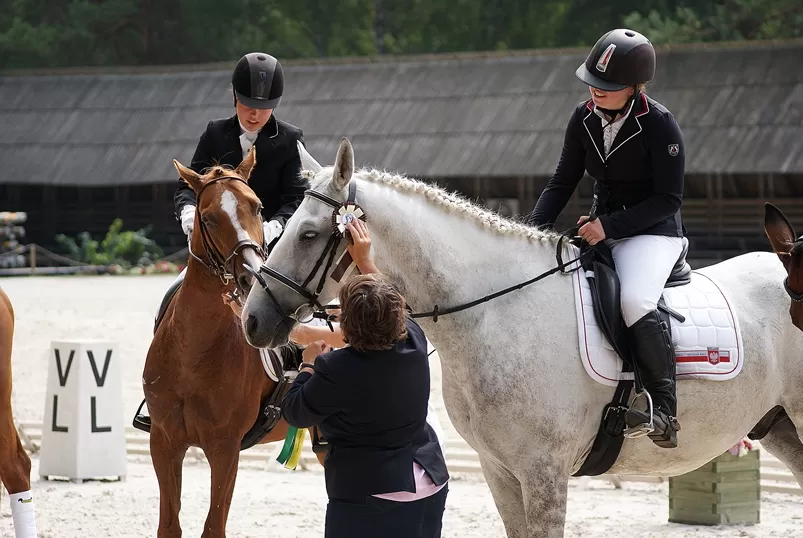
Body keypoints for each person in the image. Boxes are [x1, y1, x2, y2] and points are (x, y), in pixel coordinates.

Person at [524, 28, 685, 449]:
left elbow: (668, 200)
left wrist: (608, 228)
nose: (597, 91)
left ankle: (664, 410)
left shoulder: (661, 126)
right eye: (594, 82)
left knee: (634, 301)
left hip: (653, 233)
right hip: (601, 226)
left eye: (609, 87)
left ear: (635, 88)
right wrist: (528, 233)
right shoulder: (582, 118)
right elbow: (562, 182)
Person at [281, 219, 450, 538]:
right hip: (430, 483)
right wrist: (365, 260)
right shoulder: (414, 339)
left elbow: (295, 411)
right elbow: (395, 303)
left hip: (370, 495)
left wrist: (308, 365)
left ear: (346, 327)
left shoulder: (335, 368)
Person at [174, 51, 308, 248]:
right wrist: (188, 213)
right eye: (249, 105)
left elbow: (297, 198)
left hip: (274, 248)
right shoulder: (215, 133)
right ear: (235, 96)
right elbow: (189, 185)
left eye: (264, 107)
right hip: (220, 247)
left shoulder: (289, 139)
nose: (255, 114)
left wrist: (273, 228)